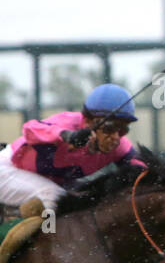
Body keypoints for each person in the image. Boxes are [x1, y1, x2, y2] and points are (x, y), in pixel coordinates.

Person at [0, 83, 143, 213]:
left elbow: (141, 170)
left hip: (50, 181)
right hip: (9, 169)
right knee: (54, 197)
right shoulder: (67, 122)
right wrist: (67, 136)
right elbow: (29, 129)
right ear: (87, 121)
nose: (116, 137)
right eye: (110, 128)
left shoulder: (120, 146)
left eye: (123, 130)